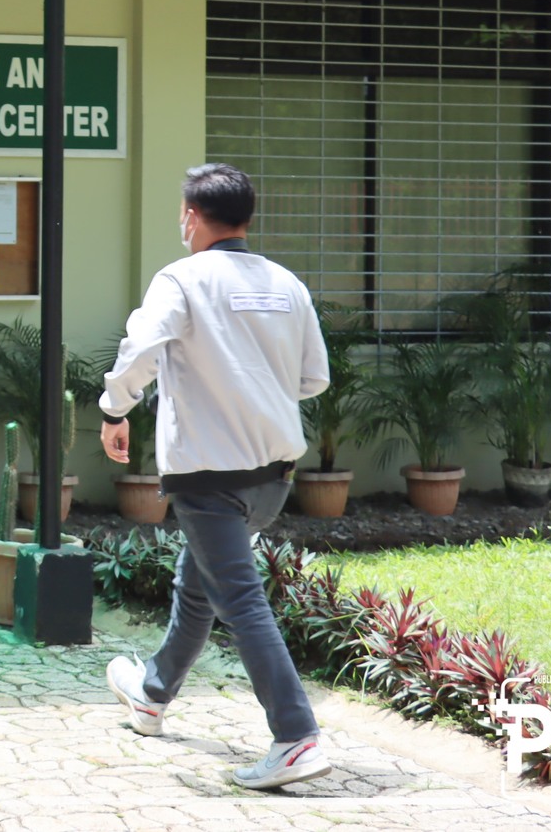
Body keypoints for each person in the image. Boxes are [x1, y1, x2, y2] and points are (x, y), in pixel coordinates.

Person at [99, 163, 333, 790]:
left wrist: (113, 409)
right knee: (199, 583)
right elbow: (314, 379)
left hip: (207, 474)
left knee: (240, 600)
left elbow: (140, 353)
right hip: (273, 476)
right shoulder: (287, 283)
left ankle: (295, 736)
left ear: (192, 217)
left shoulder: (180, 279)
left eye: (183, 213)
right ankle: (151, 693)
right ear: (247, 218)